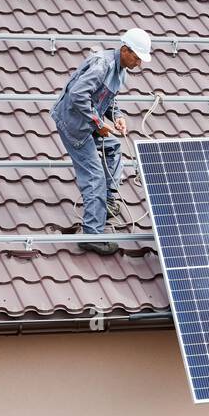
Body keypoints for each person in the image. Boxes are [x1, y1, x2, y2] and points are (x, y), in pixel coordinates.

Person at [51, 29, 152, 255]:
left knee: (114, 149)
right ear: (125, 50)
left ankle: (105, 202)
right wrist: (98, 123)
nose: (139, 63)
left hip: (88, 121)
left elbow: (109, 99)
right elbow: (78, 95)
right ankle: (92, 234)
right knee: (95, 176)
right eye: (136, 57)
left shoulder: (121, 71)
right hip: (74, 124)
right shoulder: (101, 65)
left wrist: (118, 117)